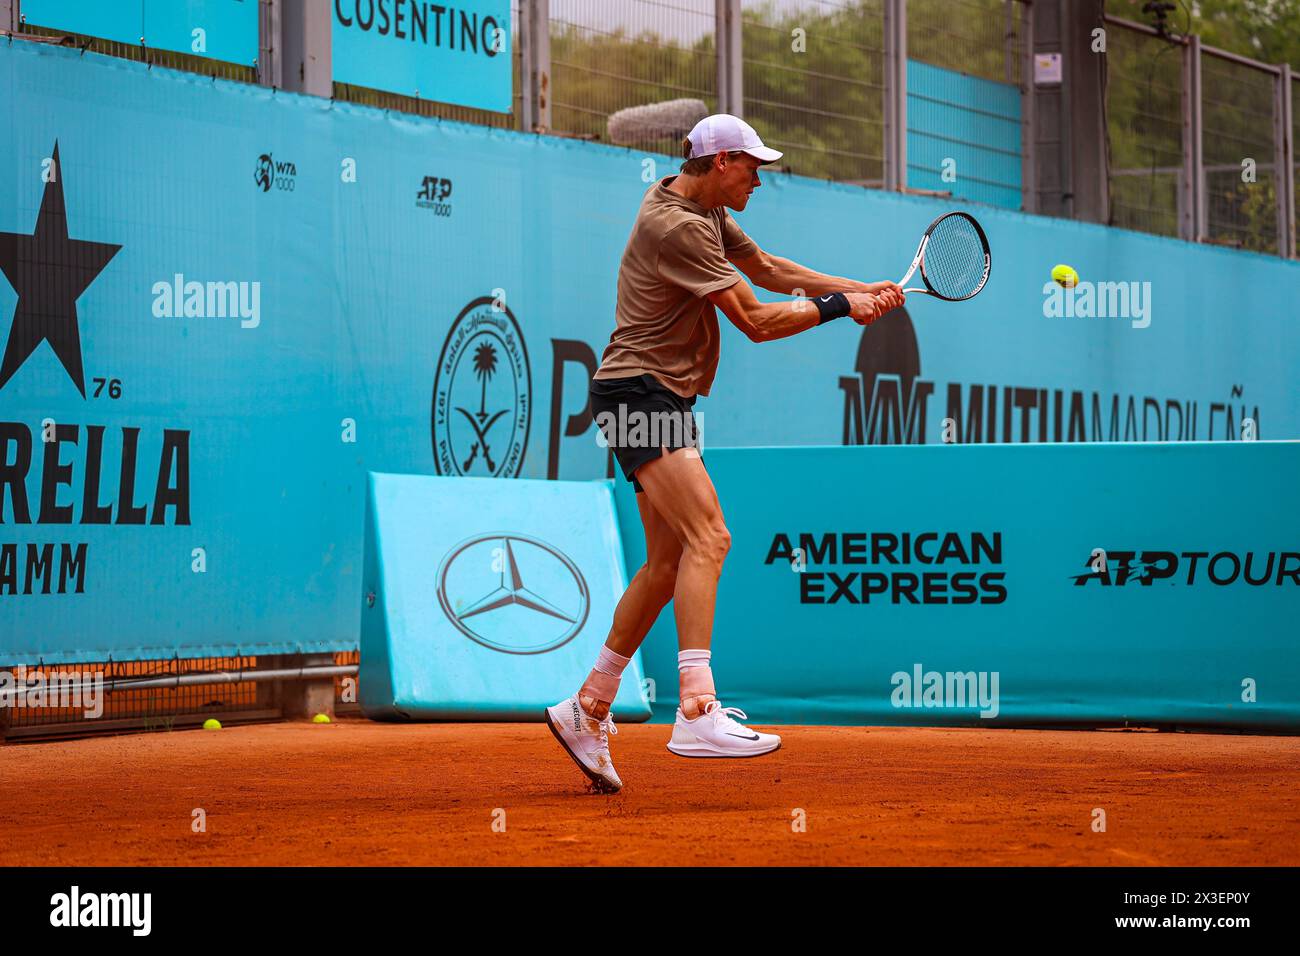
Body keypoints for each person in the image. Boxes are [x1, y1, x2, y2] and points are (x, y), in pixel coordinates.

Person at [544, 114, 905, 792]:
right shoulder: (677, 227)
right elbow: (758, 320)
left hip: (653, 397)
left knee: (665, 562)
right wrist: (838, 309)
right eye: (752, 167)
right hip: (640, 396)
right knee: (711, 536)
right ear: (718, 163)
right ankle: (697, 709)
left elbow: (769, 270)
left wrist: (859, 290)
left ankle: (587, 706)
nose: (760, 179)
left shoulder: (700, 208)